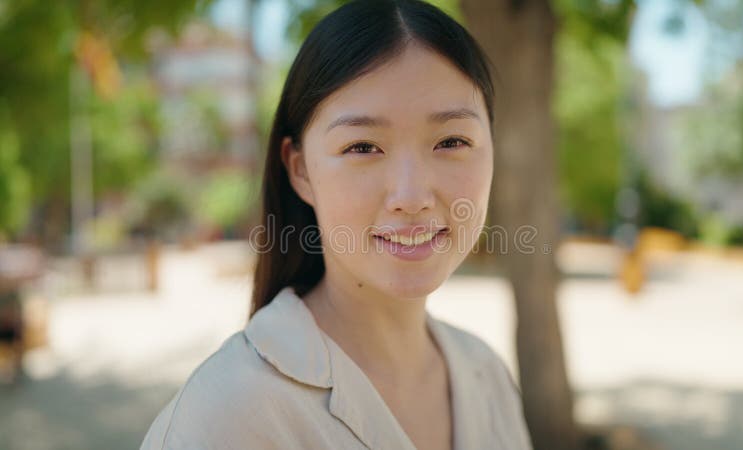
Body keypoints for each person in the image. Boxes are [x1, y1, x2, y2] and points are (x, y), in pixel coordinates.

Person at [141, 1, 533, 449]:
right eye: (362, 147)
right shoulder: (227, 415)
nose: (411, 197)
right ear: (300, 169)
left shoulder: (487, 377)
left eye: (451, 141)